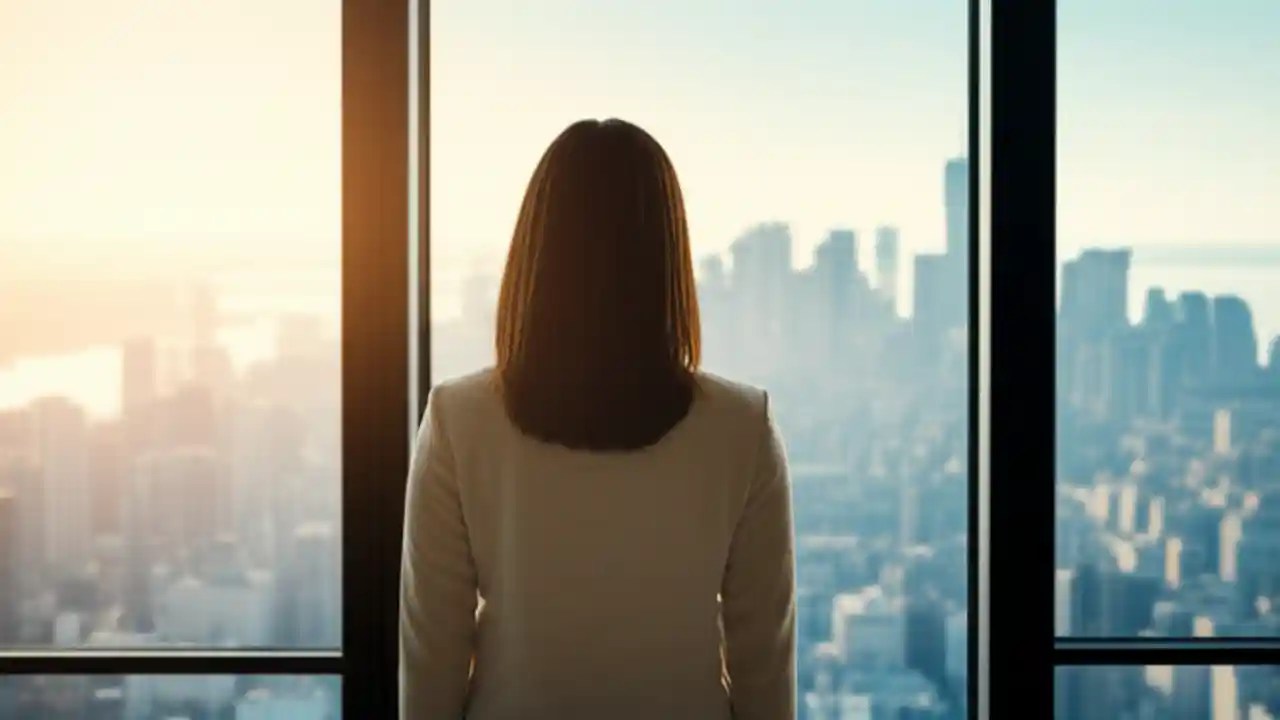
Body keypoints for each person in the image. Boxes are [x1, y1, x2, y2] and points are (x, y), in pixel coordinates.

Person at [399, 118, 795, 720]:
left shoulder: (458, 422)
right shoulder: (742, 429)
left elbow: (431, 671)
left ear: (535, 256)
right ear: (668, 256)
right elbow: (764, 677)